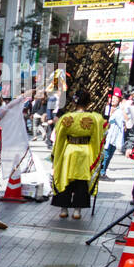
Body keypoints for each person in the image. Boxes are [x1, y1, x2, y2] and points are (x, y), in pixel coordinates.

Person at [51, 92, 104, 221]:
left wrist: (56, 154)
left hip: (69, 151)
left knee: (65, 178)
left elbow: (59, 137)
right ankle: (77, 211)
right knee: (81, 181)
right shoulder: (95, 118)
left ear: (74, 102)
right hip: (85, 151)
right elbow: (99, 136)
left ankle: (63, 209)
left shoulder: (66, 117)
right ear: (89, 103)